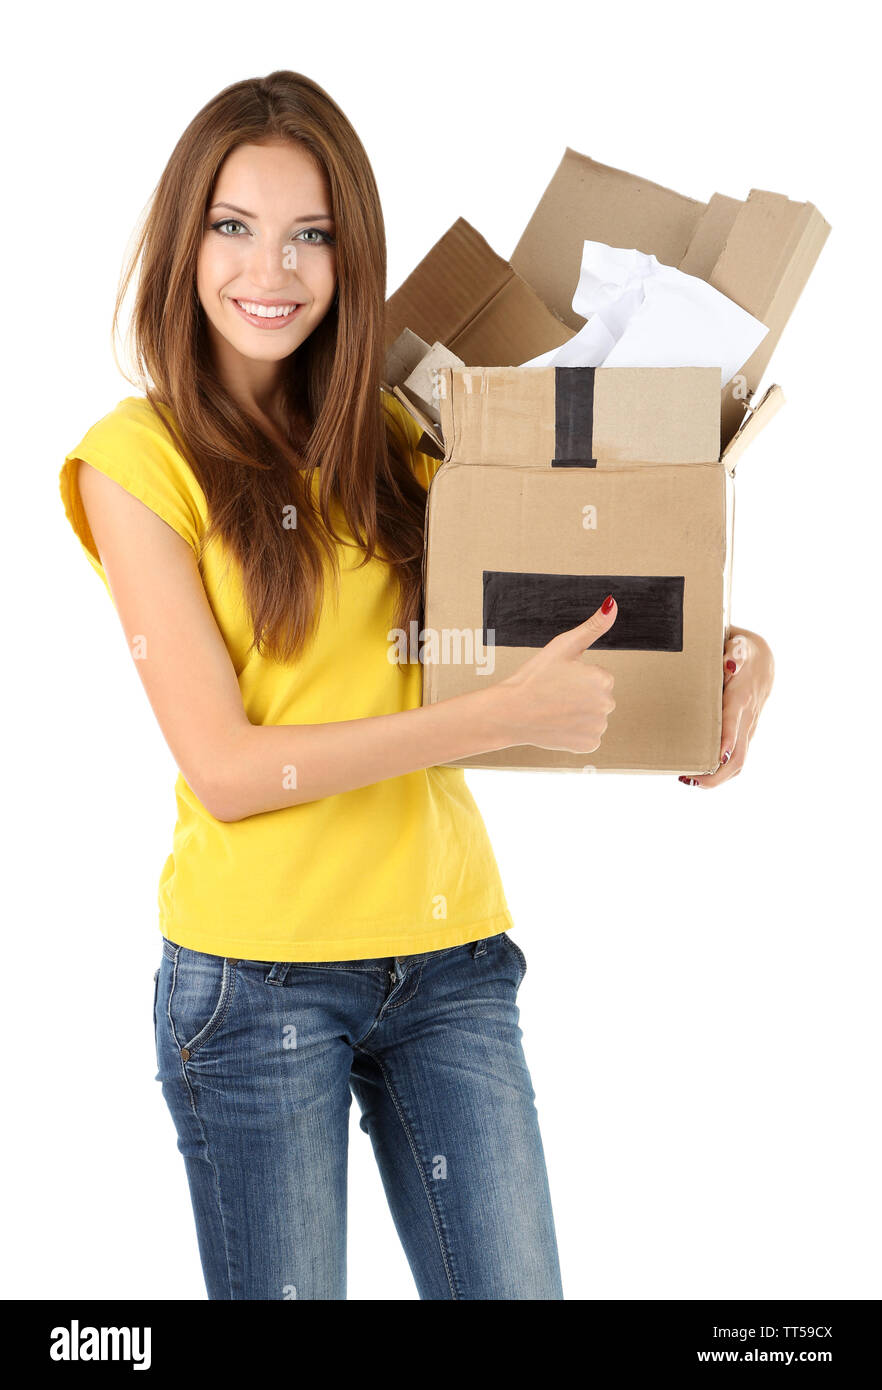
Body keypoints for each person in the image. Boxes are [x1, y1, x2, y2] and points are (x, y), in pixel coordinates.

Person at [59, 71, 774, 1301]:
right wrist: (491, 718)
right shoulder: (137, 461)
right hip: (255, 973)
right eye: (233, 226)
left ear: (352, 254)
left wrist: (740, 659)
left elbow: (582, 595)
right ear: (184, 243)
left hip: (449, 959)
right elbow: (226, 771)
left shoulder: (400, 437)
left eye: (311, 234)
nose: (267, 268)